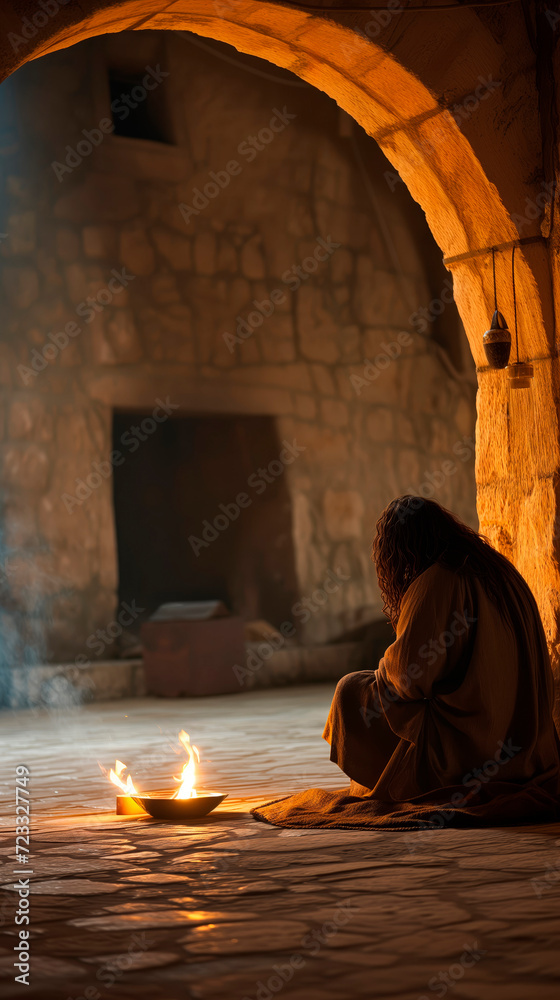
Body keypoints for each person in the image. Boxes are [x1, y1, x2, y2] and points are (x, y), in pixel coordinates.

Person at [253, 496, 560, 829]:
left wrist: (383, 666)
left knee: (350, 690)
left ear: (400, 551)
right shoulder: (500, 571)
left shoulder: (437, 579)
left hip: (470, 750)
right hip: (527, 746)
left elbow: (408, 678)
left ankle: (402, 782)